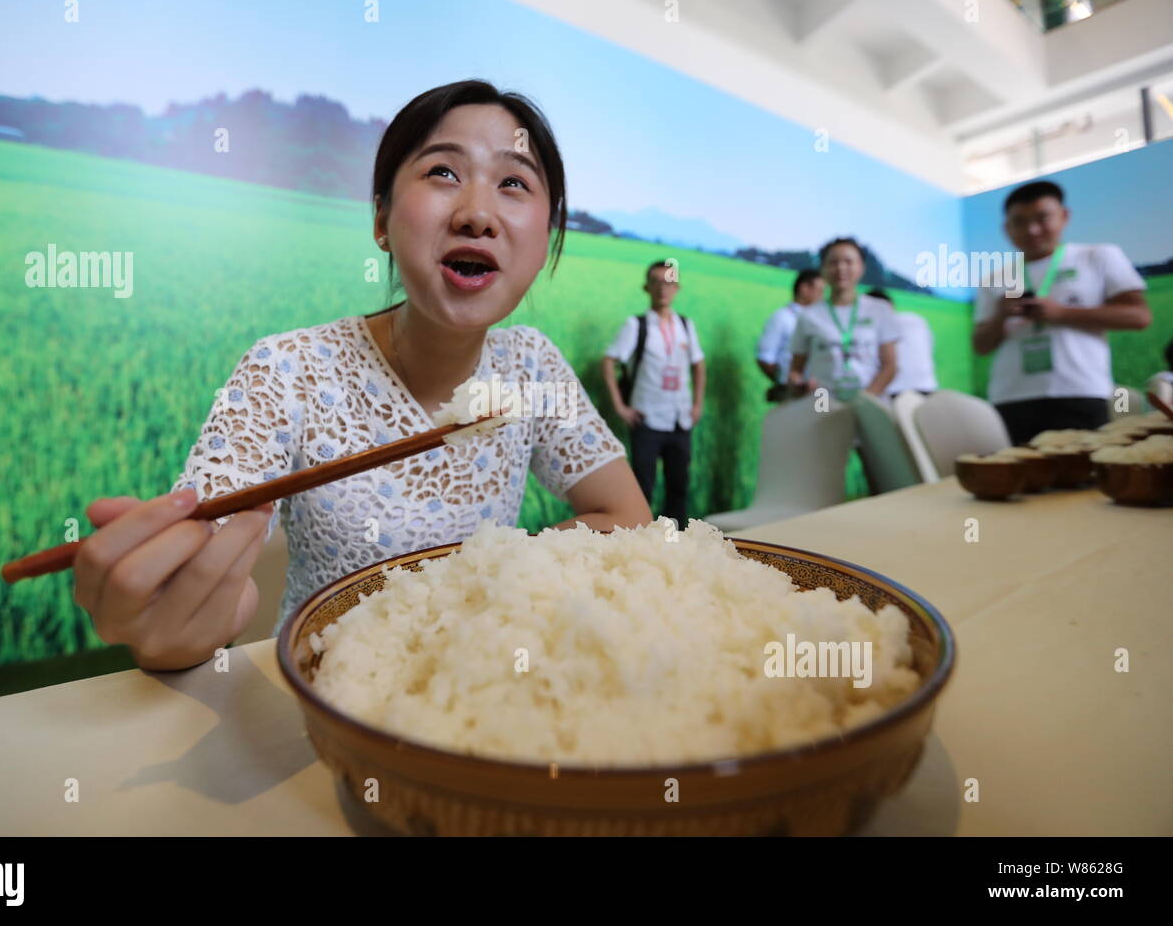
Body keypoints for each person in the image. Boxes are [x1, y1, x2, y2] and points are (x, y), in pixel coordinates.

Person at [71, 80, 652, 671]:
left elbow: (626, 517)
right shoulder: (287, 369)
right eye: (444, 173)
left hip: (480, 687)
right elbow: (216, 572)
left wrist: (499, 573)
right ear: (381, 218)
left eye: (513, 183)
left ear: (546, 237)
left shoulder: (531, 366)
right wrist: (177, 621)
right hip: (329, 692)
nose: (477, 214)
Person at [972, 180, 1152, 445]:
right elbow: (980, 345)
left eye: (1042, 218)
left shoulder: (1097, 256)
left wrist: (1061, 313)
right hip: (1011, 398)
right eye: (1019, 222)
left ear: (1064, 216)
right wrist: (1001, 315)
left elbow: (1139, 316)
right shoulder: (995, 278)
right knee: (1025, 479)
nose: (1032, 230)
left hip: (1080, 392)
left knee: (1087, 479)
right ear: (1006, 228)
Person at [601, 260, 706, 530]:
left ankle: (675, 544)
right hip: (647, 418)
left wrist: (697, 404)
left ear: (677, 288)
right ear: (646, 287)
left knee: (678, 487)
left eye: (669, 282)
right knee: (643, 487)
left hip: (680, 418)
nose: (663, 289)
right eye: (656, 282)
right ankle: (641, 545)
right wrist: (620, 407)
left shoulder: (685, 324)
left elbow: (698, 363)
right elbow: (610, 361)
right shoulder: (636, 325)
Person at [787, 237, 900, 402]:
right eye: (833, 262)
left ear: (861, 267)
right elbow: (795, 370)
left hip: (870, 404)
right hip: (822, 402)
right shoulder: (808, 315)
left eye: (849, 261)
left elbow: (890, 366)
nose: (841, 268)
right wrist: (797, 384)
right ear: (822, 268)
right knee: (822, 427)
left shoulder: (880, 309)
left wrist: (864, 401)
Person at [756, 269, 824, 401]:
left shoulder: (818, 320)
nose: (822, 297)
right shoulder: (782, 317)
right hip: (792, 394)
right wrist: (784, 381)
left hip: (817, 395)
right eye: (820, 291)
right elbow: (765, 359)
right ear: (804, 288)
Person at [865, 288, 938, 396]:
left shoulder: (875, 328)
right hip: (928, 387)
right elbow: (930, 348)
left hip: (894, 392)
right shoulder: (917, 320)